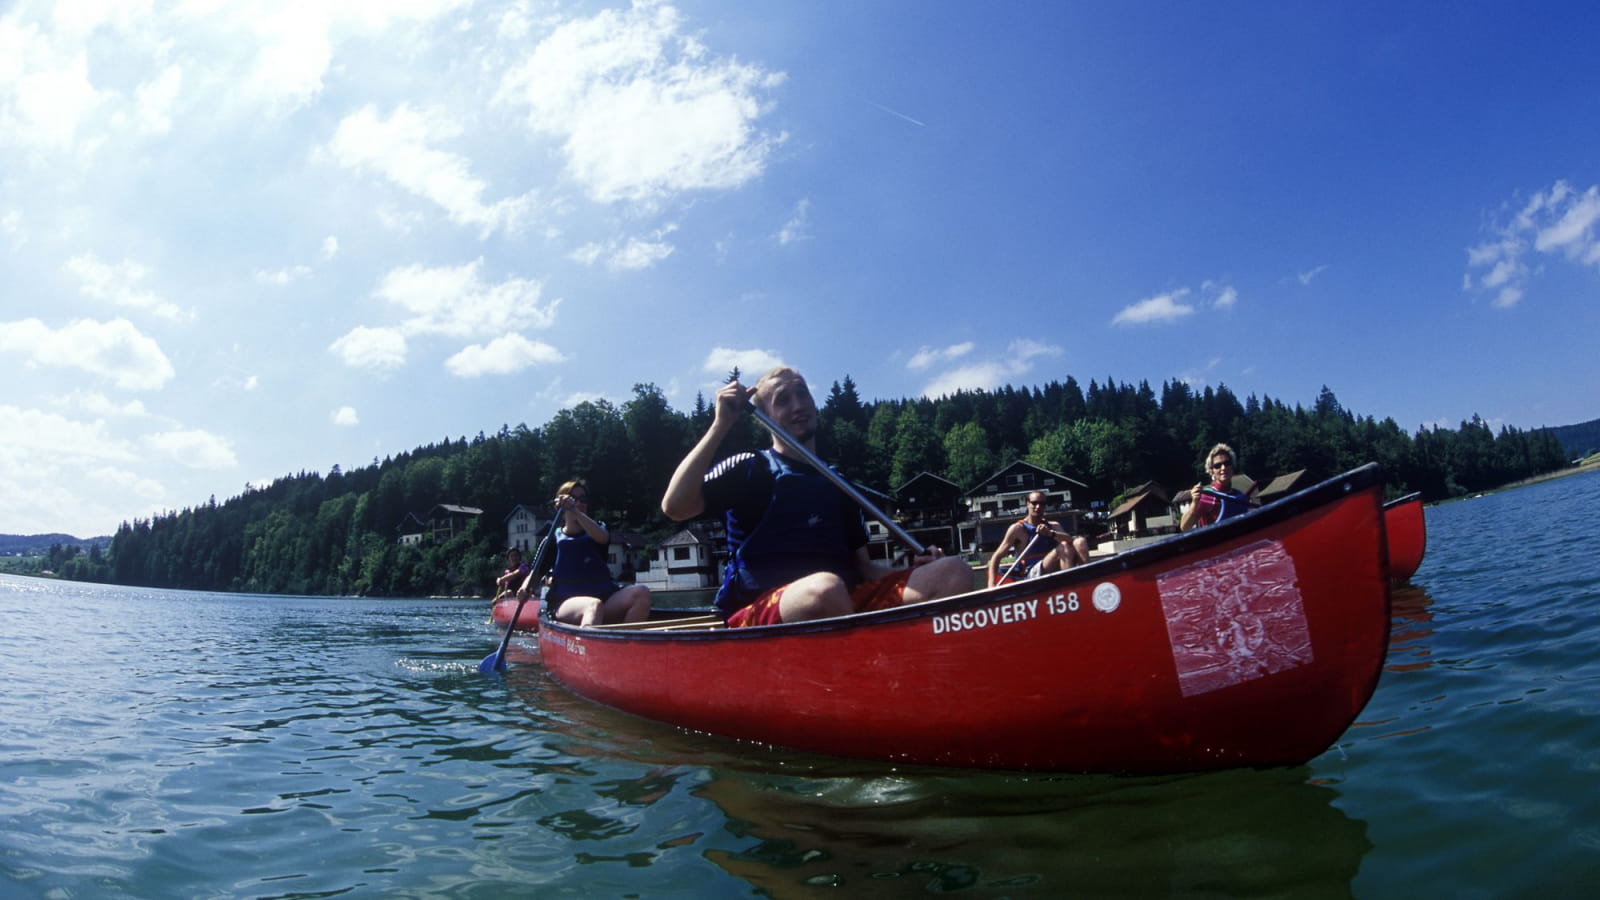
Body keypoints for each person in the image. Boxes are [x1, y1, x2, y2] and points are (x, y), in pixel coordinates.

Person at [661, 366, 973, 627]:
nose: (798, 405)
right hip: (759, 610)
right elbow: (675, 507)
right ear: (763, 417)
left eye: (803, 394)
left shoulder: (838, 483)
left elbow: (865, 569)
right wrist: (721, 424)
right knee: (825, 589)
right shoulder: (750, 468)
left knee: (953, 571)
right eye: (783, 400)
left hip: (840, 604)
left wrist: (914, 572)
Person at [517, 479, 651, 627]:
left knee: (641, 593)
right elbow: (535, 574)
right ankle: (589, 639)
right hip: (566, 604)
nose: (580, 503)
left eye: (583, 499)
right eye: (574, 499)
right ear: (560, 505)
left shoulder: (598, 529)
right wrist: (524, 588)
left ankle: (625, 638)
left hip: (605, 599)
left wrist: (574, 510)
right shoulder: (552, 540)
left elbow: (602, 538)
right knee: (593, 606)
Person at [985, 490, 1090, 587]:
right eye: (1034, 503)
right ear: (1027, 504)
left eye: (1042, 504)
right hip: (1031, 573)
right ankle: (1071, 586)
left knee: (1080, 541)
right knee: (1064, 546)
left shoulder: (1053, 526)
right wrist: (991, 585)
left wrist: (1050, 533)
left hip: (1052, 567)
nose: (1038, 507)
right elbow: (996, 557)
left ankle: (1088, 581)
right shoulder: (1017, 529)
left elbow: (1071, 540)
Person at [1180, 443, 1254, 531]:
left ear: (1232, 466)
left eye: (1227, 463)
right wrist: (1195, 503)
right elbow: (1185, 527)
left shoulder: (1241, 497)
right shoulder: (1206, 496)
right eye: (1217, 466)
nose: (1223, 468)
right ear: (1212, 471)